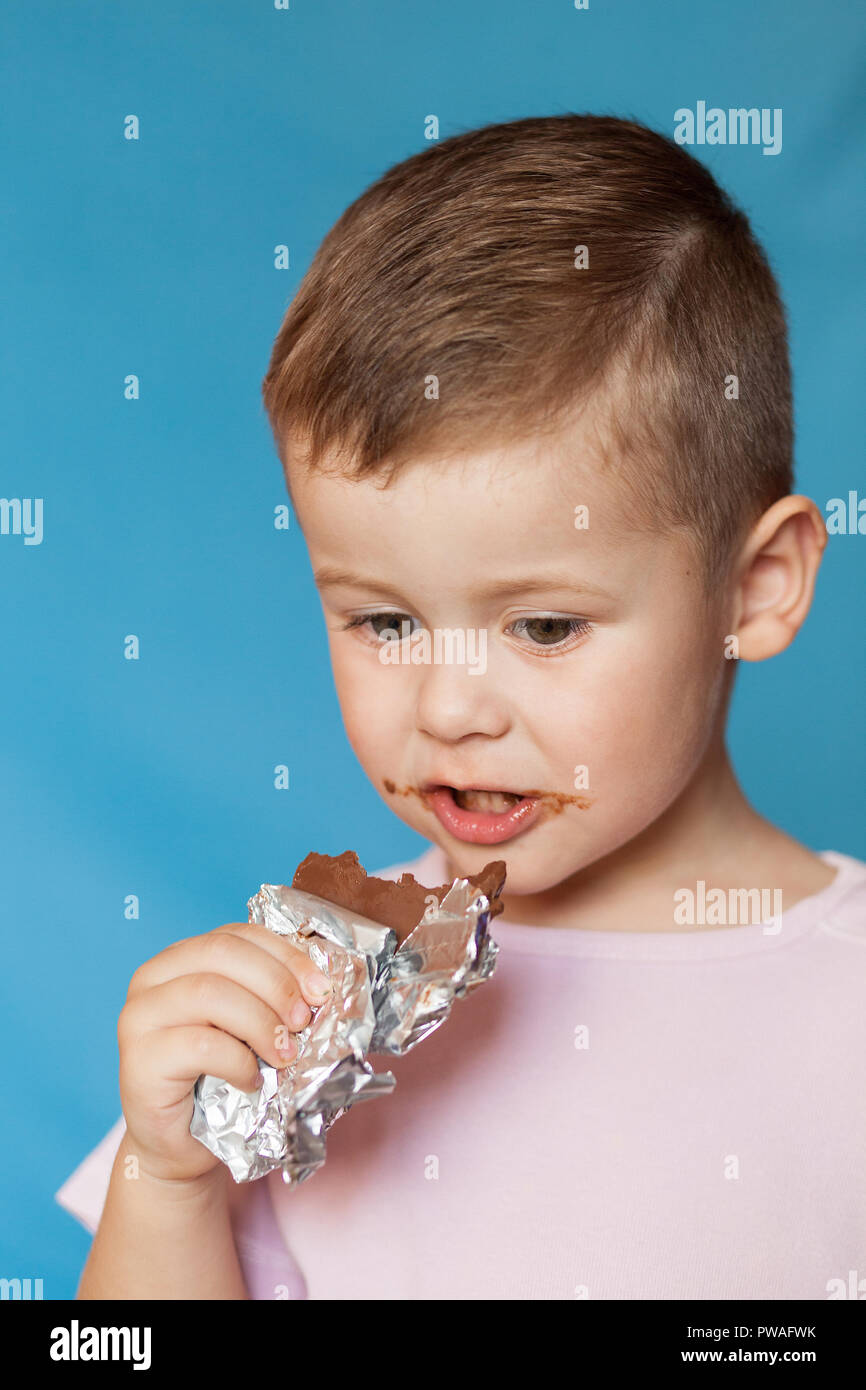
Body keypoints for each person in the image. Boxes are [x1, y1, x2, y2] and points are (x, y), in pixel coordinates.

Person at [57, 113, 866, 1300]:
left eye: (542, 626)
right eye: (383, 620)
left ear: (755, 588)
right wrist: (168, 1186)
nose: (446, 709)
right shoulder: (304, 1014)